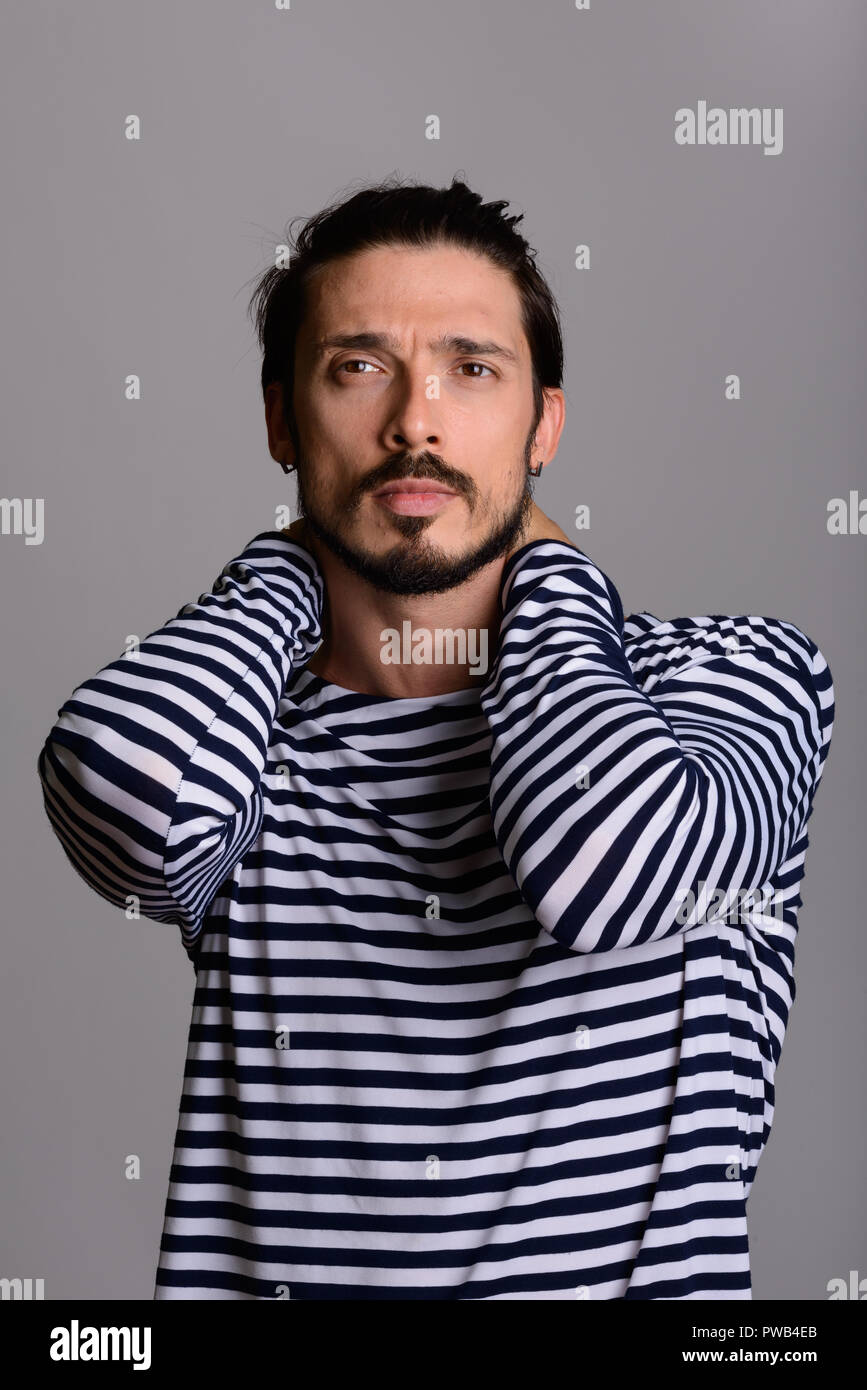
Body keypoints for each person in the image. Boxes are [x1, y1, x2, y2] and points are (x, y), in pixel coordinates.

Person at [37, 176, 835, 1300]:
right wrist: (285, 577)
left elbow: (605, 873)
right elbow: (128, 799)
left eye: (473, 368)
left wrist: (552, 572)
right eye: (358, 366)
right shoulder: (243, 741)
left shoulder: (733, 681)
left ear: (544, 423)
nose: (416, 418)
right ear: (281, 420)